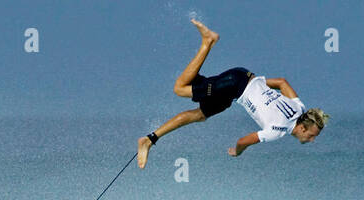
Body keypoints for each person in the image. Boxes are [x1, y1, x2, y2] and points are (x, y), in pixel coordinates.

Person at [136, 20, 329, 169]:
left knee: (199, 115)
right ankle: (207, 42)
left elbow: (281, 82)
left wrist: (256, 83)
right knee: (180, 88)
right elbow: (242, 141)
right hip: (234, 84)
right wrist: (238, 152)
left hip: (238, 87)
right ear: (302, 128)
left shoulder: (300, 108)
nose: (312, 140)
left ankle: (150, 139)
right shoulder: (277, 130)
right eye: (312, 135)